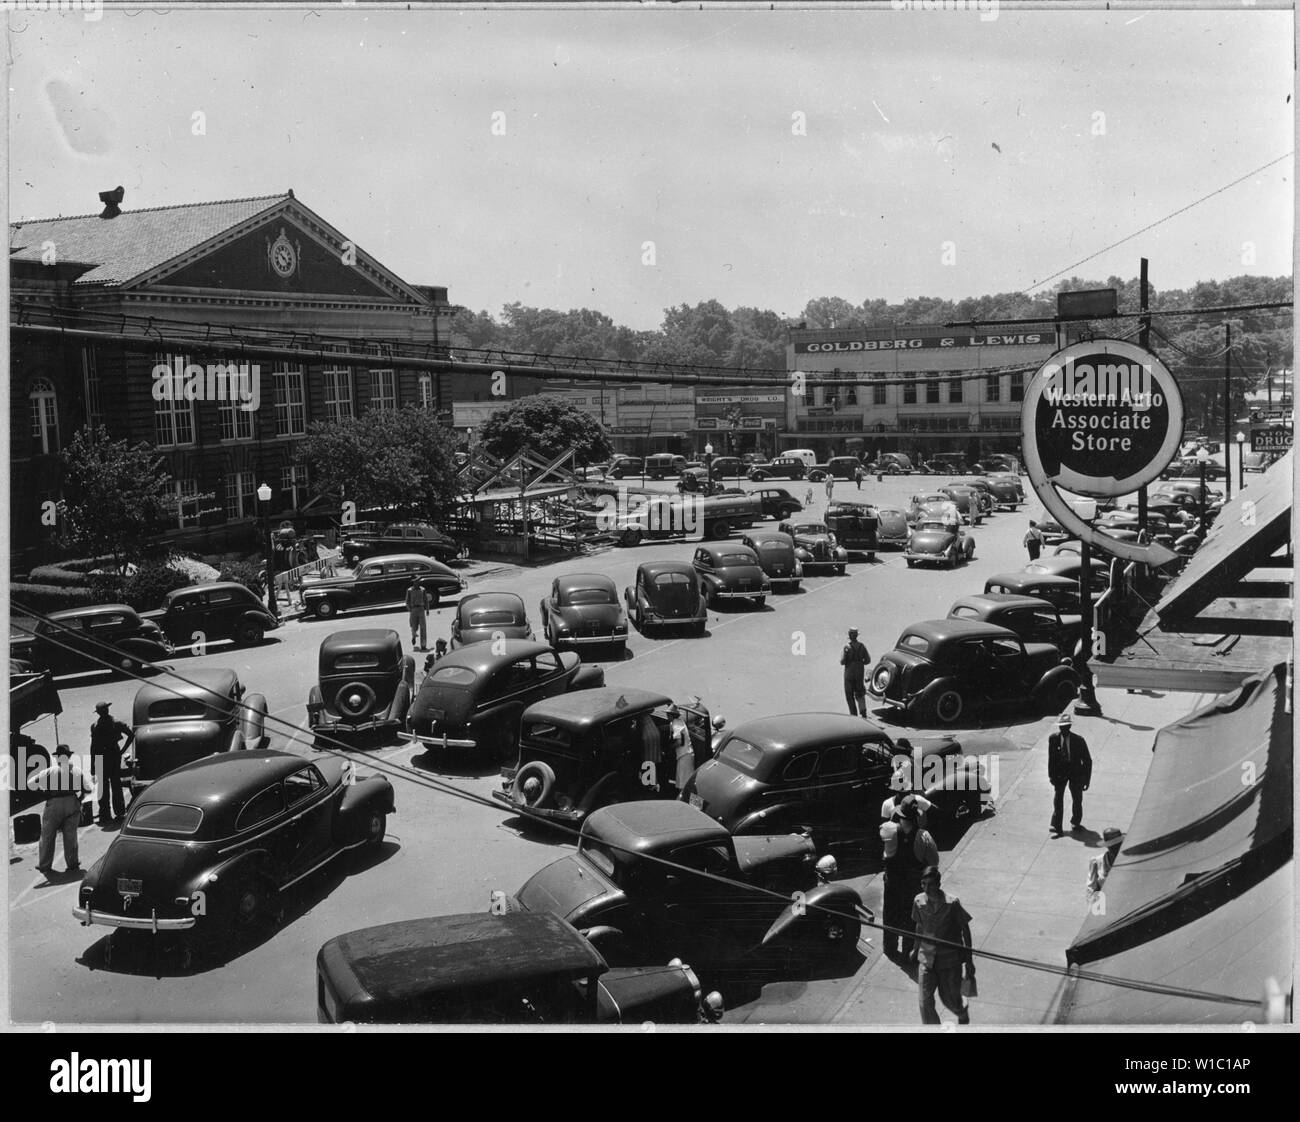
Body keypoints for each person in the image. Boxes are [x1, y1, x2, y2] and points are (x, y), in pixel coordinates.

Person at [911, 865, 974, 1025]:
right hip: (927, 958)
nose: (927, 888)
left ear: (938, 884)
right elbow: (919, 926)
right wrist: (915, 948)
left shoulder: (952, 903)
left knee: (950, 1000)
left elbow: (965, 930)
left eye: (931, 884)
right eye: (923, 884)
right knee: (924, 1002)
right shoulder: (918, 901)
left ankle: (962, 1014)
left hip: (949, 960)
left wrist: (969, 960)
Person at [880, 796, 939, 960]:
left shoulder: (888, 830)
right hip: (912, 886)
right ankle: (908, 952)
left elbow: (884, 826)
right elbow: (934, 862)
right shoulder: (924, 836)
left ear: (900, 814)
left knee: (890, 915)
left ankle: (889, 948)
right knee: (911, 920)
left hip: (892, 884)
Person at [33, 744, 91, 876]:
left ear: (58, 757)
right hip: (71, 802)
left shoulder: (50, 771)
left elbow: (31, 782)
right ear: (69, 756)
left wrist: (44, 793)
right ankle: (72, 863)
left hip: (54, 803)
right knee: (70, 835)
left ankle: (44, 865)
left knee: (48, 834)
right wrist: (80, 798)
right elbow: (88, 789)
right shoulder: (76, 770)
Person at [1048, 711, 1092, 834]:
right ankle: (1057, 826)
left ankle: (1075, 822)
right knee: (1058, 799)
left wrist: (1086, 780)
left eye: (1066, 726)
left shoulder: (1078, 740)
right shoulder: (1053, 739)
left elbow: (1087, 760)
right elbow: (1051, 759)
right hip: (1060, 774)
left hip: (1075, 773)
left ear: (1070, 727)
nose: (1063, 729)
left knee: (1077, 799)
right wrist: (1051, 775)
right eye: (1061, 727)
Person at [89, 701, 133, 825]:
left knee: (103, 787)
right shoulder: (116, 723)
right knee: (116, 785)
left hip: (100, 758)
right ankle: (119, 813)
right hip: (114, 756)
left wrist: (93, 766)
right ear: (107, 710)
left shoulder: (95, 726)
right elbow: (131, 735)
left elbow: (93, 747)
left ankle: (105, 814)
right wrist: (123, 750)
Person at [1086, 826, 1125, 899]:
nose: (1116, 849)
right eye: (1112, 846)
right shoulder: (1097, 862)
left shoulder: (1129, 860)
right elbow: (1091, 888)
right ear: (1108, 847)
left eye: (1119, 845)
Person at [840, 627, 871, 716]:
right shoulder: (862, 646)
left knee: (849, 696)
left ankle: (853, 714)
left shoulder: (847, 647)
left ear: (849, 636)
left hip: (849, 675)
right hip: (859, 674)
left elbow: (842, 661)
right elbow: (868, 660)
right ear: (857, 635)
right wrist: (860, 662)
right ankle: (863, 712)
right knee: (860, 693)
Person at [405, 578, 430, 651]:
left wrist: (427, 610)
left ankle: (423, 645)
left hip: (421, 609)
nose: (417, 583)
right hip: (413, 609)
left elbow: (426, 600)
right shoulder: (409, 590)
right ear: (413, 582)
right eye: (415, 581)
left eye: (418, 581)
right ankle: (413, 636)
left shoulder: (423, 590)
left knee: (423, 627)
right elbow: (407, 601)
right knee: (414, 626)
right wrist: (409, 609)